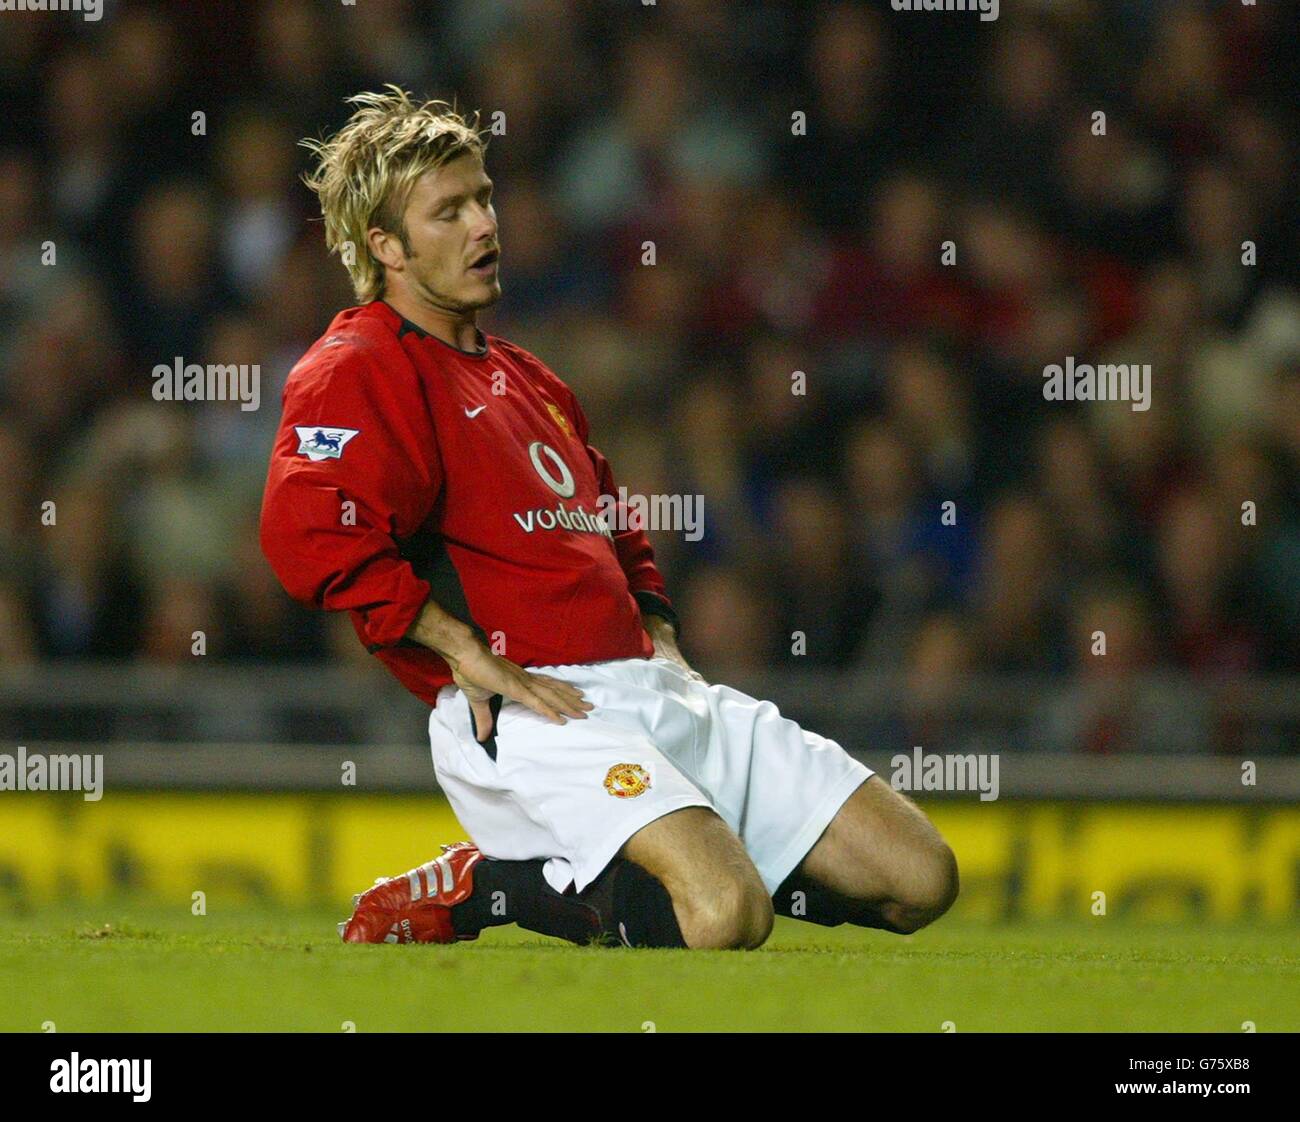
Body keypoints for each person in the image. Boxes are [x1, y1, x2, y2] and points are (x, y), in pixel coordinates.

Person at [260, 88, 957, 949]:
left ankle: (652, 864)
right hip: (535, 710)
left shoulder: (531, 378)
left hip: (652, 685)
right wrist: (456, 649)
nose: (485, 224)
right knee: (726, 916)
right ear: (386, 248)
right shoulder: (360, 364)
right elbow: (308, 534)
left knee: (922, 878)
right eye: (450, 211)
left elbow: (614, 524)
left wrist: (660, 631)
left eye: (483, 196)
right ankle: (492, 885)